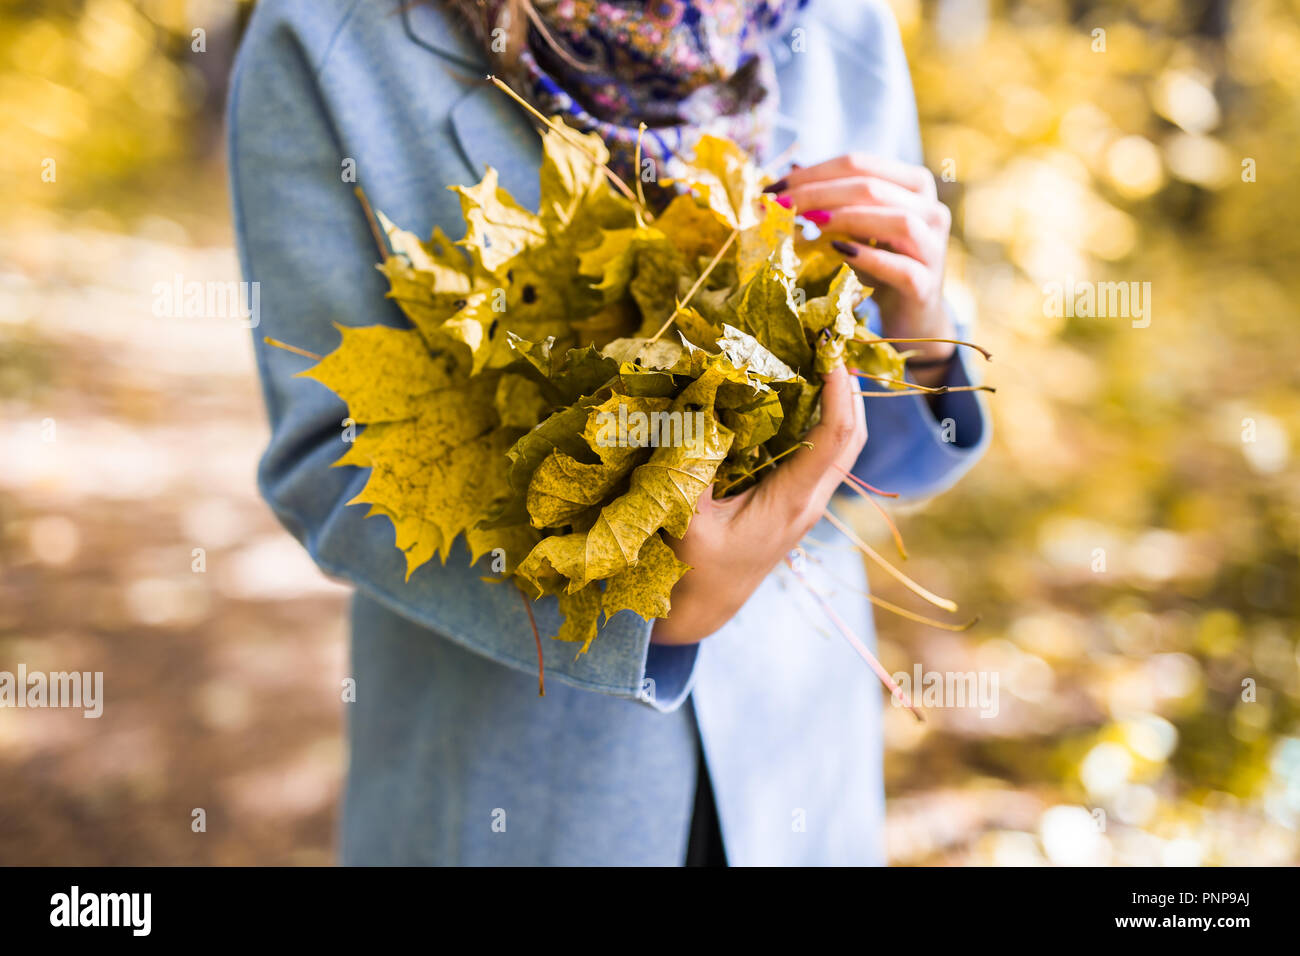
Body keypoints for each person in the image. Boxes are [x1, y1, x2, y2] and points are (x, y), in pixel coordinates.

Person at [228, 0, 989, 865]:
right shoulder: (332, 35)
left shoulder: (839, 23)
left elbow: (869, 468)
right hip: (517, 784)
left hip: (797, 771)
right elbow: (326, 459)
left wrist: (919, 335)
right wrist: (641, 616)